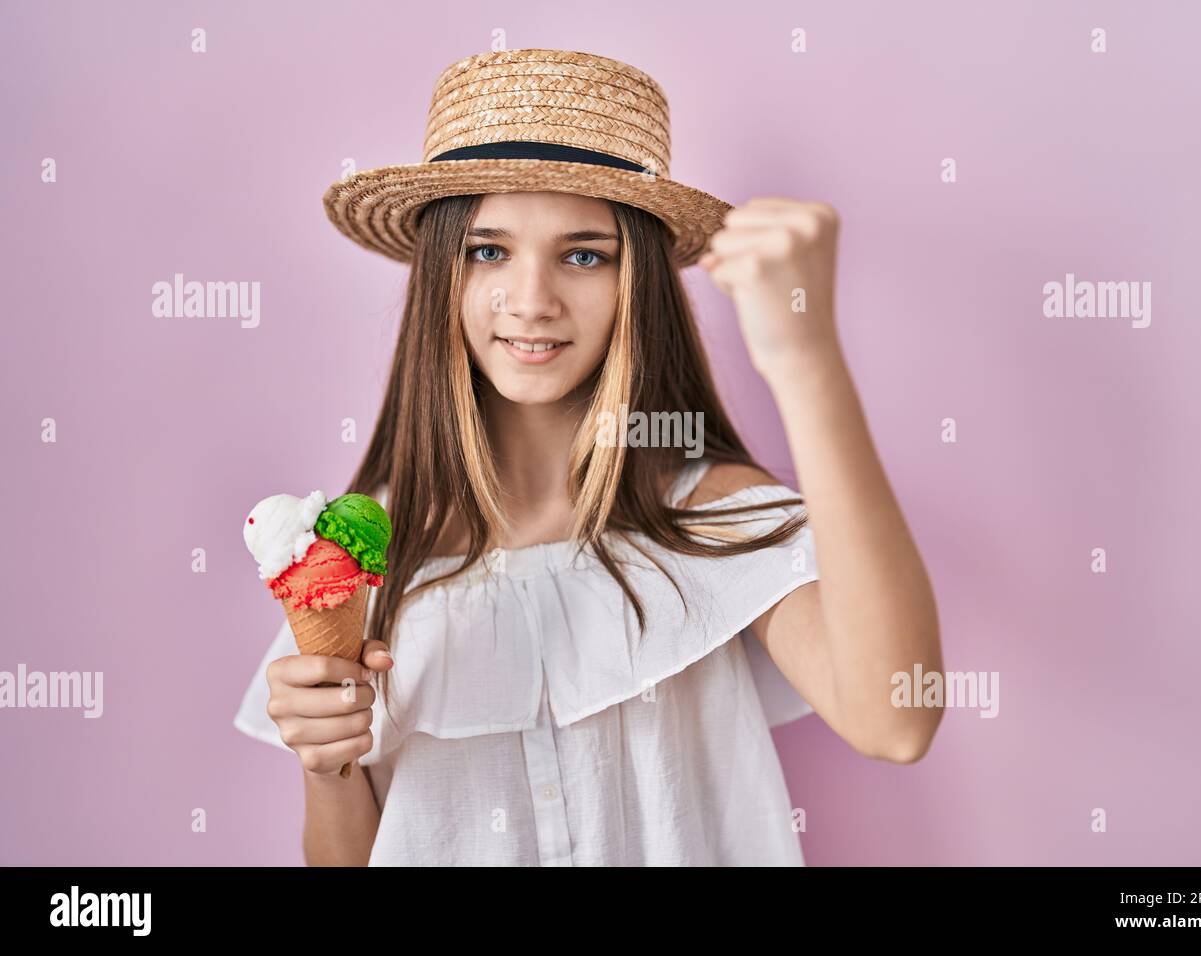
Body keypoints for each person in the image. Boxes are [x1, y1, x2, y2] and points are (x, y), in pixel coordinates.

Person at [233, 48, 943, 866]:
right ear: (441, 274)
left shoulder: (707, 516)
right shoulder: (367, 561)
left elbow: (896, 719)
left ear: (635, 281)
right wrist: (328, 768)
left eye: (584, 254)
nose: (531, 300)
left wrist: (806, 353)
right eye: (487, 250)